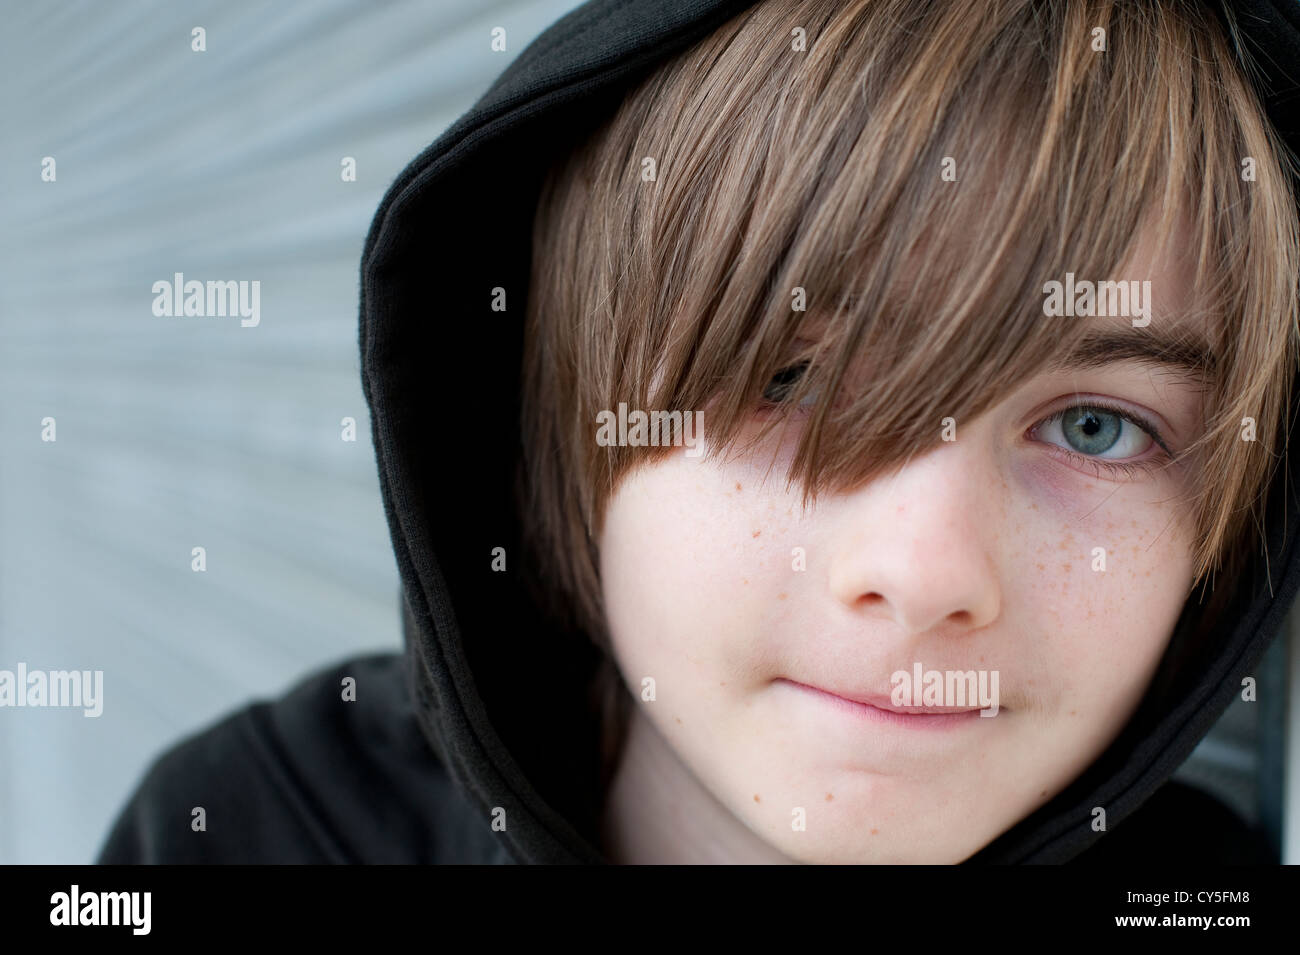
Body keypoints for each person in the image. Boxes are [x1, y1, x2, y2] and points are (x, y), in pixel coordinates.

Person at [99, 0, 1300, 865]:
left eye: (1096, 426)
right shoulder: (253, 824)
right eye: (784, 377)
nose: (925, 574)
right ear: (561, 408)